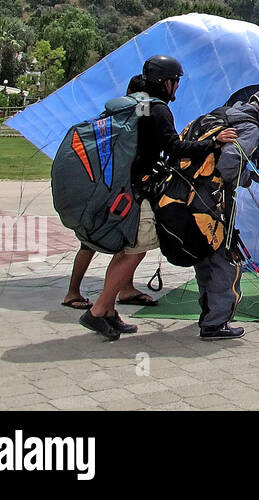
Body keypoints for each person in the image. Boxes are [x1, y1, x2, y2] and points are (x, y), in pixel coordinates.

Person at [79, 56, 237, 340]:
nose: (177, 88)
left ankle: (108, 312)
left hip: (124, 187)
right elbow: (175, 149)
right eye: (176, 82)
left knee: (127, 250)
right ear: (167, 82)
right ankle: (98, 310)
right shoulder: (159, 109)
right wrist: (213, 143)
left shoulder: (138, 104)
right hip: (139, 193)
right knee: (135, 250)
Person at [193, 88, 259, 340]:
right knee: (226, 260)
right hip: (211, 202)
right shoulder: (251, 127)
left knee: (206, 257)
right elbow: (228, 163)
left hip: (191, 199)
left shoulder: (226, 114)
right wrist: (245, 178)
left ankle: (208, 315)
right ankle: (215, 323)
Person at [63, 75, 162, 311]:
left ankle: (123, 289)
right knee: (109, 242)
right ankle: (74, 293)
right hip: (115, 188)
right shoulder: (136, 112)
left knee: (126, 242)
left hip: (106, 186)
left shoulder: (117, 111)